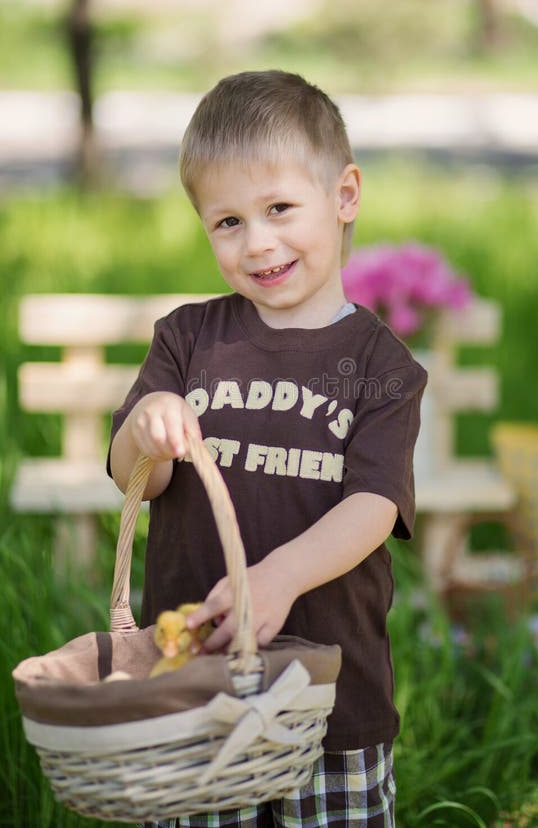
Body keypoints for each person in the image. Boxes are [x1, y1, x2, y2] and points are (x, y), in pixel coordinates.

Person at [108, 69, 427, 827]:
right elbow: (133, 480)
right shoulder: (188, 340)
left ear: (344, 196)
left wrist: (277, 578)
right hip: (193, 681)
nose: (258, 242)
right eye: (227, 222)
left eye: (280, 208)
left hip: (328, 697)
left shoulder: (384, 367)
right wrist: (145, 425)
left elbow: (375, 506)